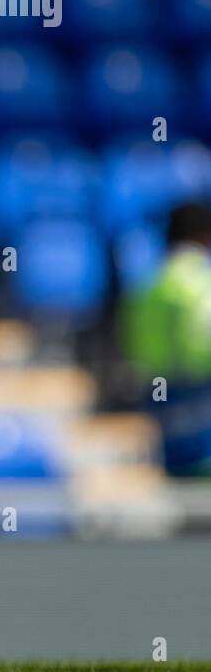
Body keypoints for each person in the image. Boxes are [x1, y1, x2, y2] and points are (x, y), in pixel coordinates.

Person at [123, 200, 211, 474]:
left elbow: (134, 339)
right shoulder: (202, 279)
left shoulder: (149, 283)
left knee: (177, 474)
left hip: (161, 391)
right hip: (200, 390)